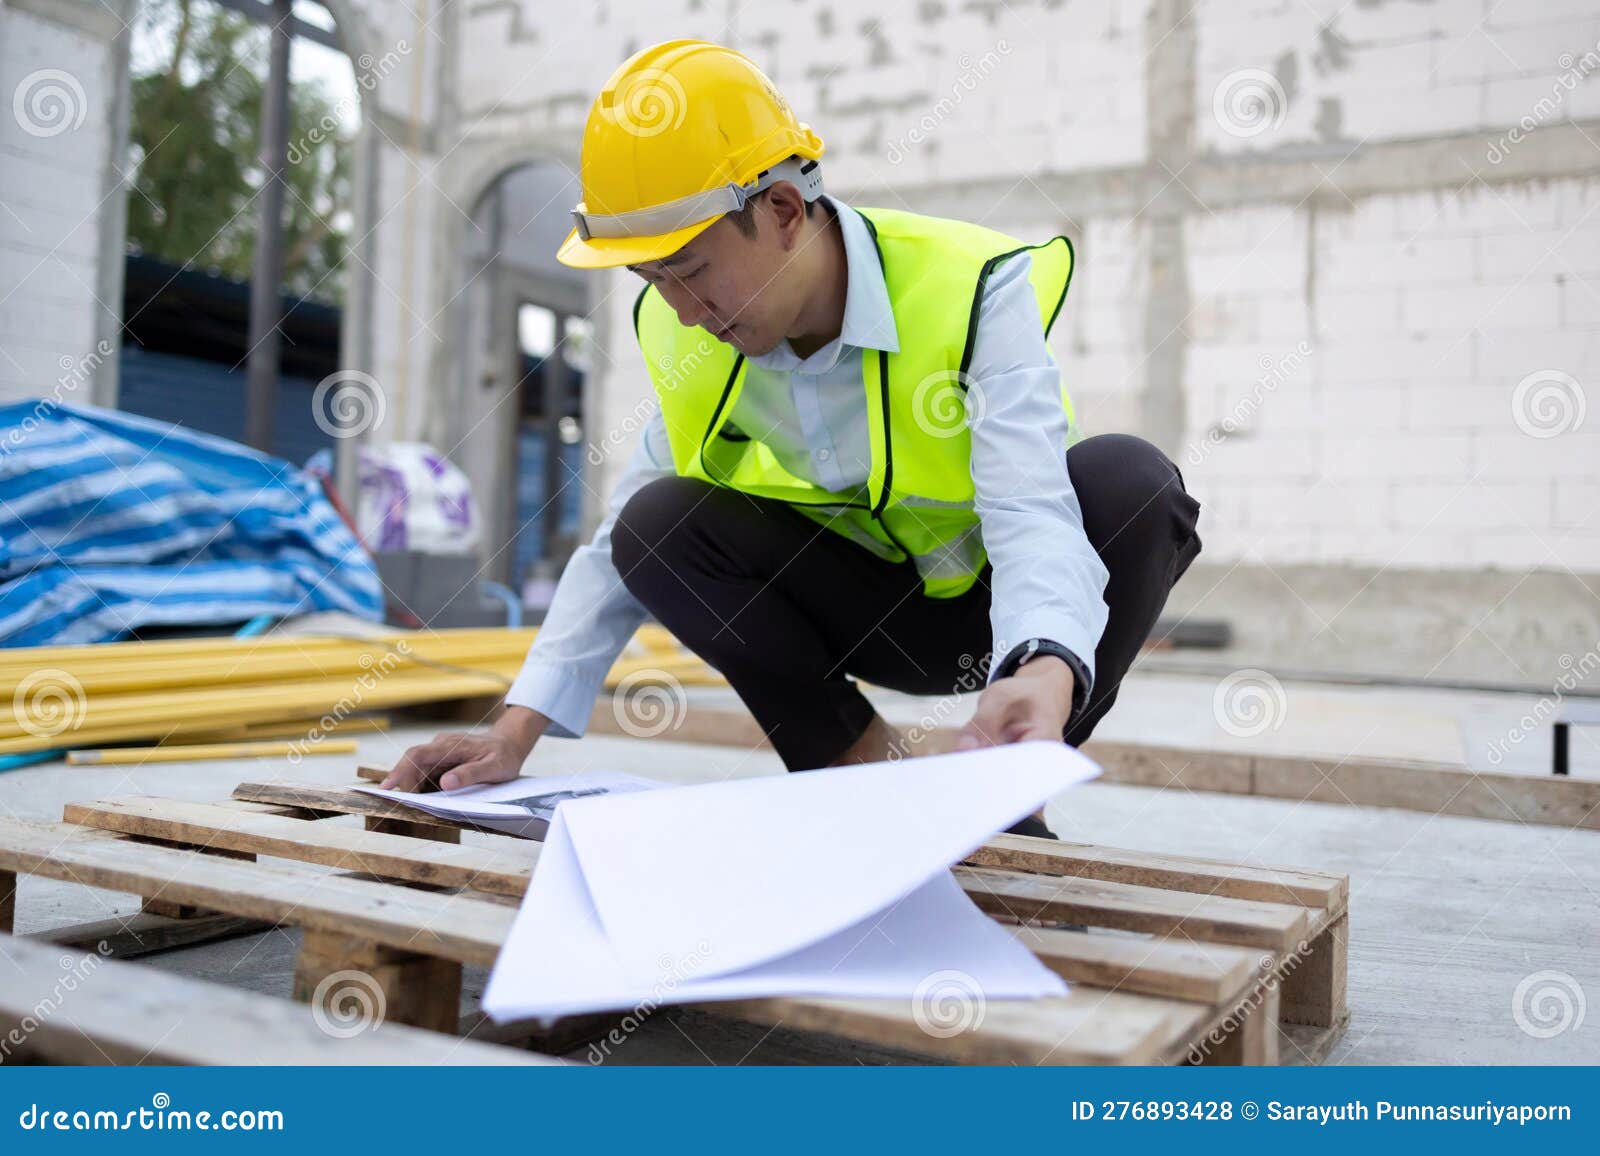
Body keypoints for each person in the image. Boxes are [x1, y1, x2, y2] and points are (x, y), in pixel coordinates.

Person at [382, 39, 1202, 838]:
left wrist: (1047, 668)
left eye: (692, 270)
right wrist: (512, 731)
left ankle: (1012, 785)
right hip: (862, 616)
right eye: (653, 281)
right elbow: (616, 546)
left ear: (779, 210)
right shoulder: (695, 339)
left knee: (1134, 484)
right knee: (653, 525)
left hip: (996, 617)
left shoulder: (969, 289)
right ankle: (864, 779)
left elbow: (1031, 510)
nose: (683, 310)